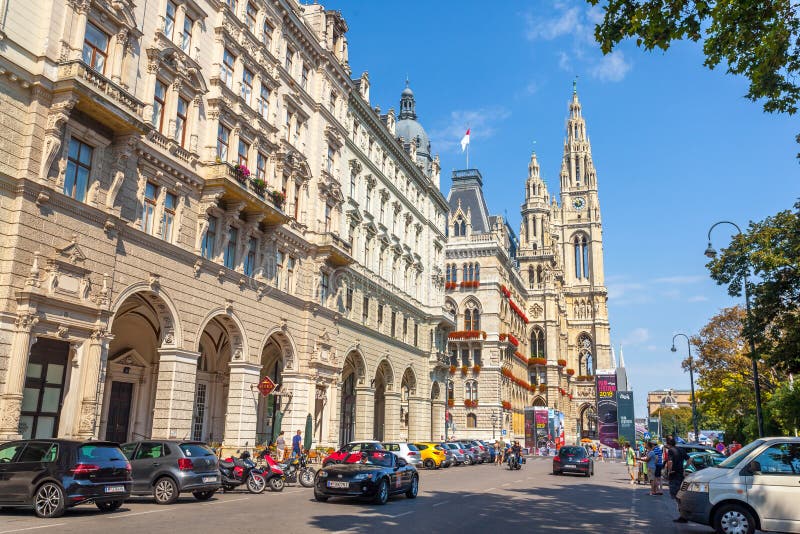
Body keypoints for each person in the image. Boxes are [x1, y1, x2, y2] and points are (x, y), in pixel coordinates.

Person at [665, 436, 688, 523]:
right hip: (680, 474)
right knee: (680, 495)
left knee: (677, 496)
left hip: (674, 475)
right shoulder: (681, 449)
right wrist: (685, 468)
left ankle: (683, 516)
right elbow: (690, 459)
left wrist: (669, 471)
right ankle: (683, 515)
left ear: (668, 444)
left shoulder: (671, 450)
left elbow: (670, 462)